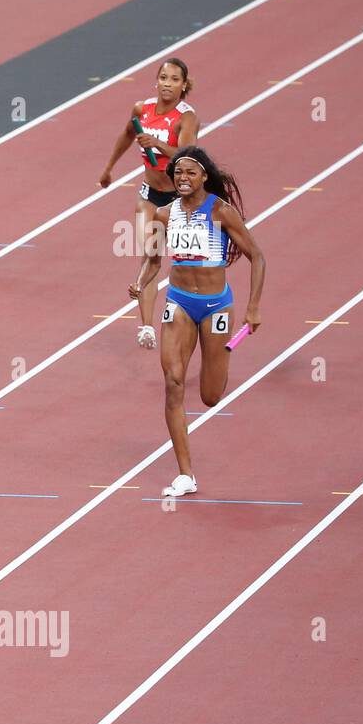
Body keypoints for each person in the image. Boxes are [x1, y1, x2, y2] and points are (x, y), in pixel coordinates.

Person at [130, 147, 265, 497]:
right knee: (173, 383)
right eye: (178, 172)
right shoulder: (164, 214)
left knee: (210, 396)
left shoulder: (221, 211)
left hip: (216, 307)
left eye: (190, 172)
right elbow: (153, 260)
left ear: (204, 176)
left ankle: (219, 358)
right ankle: (185, 475)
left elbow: (257, 256)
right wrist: (140, 282)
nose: (183, 178)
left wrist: (253, 308)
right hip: (179, 302)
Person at [99, 58, 199, 348]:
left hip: (180, 200)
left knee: (188, 264)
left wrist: (158, 145)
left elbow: (188, 154)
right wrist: (108, 168)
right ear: (156, 81)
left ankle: (193, 316)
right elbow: (126, 135)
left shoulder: (186, 117)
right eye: (163, 78)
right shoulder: (141, 110)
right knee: (151, 255)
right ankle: (146, 327)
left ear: (183, 85)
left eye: (175, 79)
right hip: (150, 196)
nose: (168, 84)